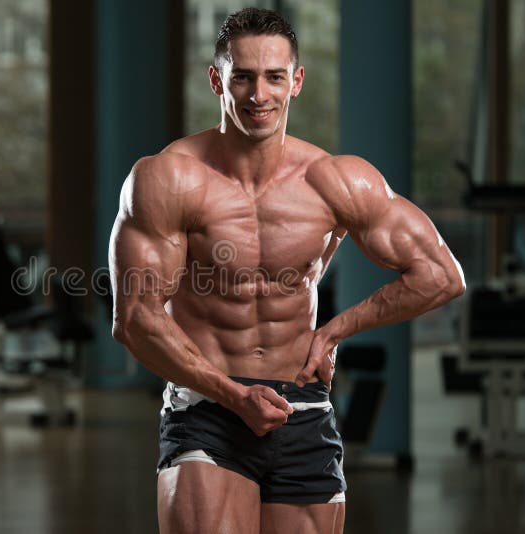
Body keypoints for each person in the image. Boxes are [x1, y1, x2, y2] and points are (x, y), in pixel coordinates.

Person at [108, 7, 465, 534]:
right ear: (217, 80)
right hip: (209, 405)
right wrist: (233, 396)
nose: (259, 96)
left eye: (275, 77)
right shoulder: (167, 179)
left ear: (296, 81)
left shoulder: (335, 181)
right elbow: (135, 319)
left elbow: (440, 274)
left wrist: (335, 331)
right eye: (243, 77)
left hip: (302, 406)